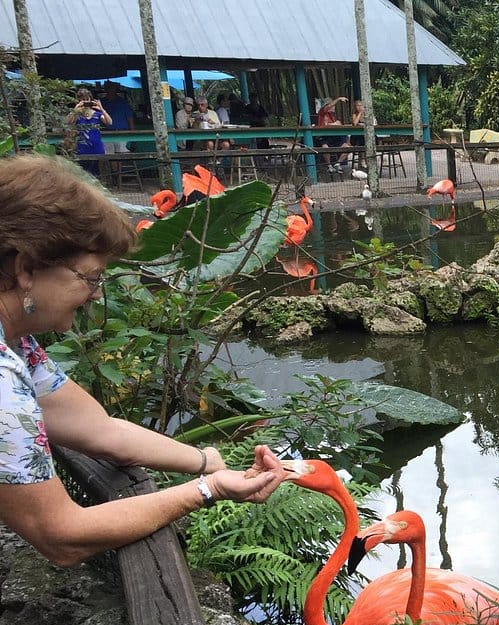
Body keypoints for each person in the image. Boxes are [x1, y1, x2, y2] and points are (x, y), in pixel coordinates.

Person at [0, 154, 285, 567]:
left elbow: (101, 430)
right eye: (91, 277)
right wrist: (208, 491)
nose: (97, 294)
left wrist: (209, 461)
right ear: (26, 268)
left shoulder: (18, 344)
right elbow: (61, 535)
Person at [67, 89, 110, 176]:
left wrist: (101, 109)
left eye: (87, 99)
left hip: (96, 147)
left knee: (97, 172)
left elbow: (109, 122)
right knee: (82, 172)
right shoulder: (77, 115)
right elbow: (69, 121)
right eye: (83, 100)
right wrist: (76, 109)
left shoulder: (97, 114)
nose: (85, 102)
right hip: (82, 147)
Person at [315, 97, 351, 173]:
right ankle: (329, 166)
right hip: (324, 137)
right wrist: (338, 99)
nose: (334, 107)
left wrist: (337, 123)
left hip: (335, 137)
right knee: (325, 147)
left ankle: (338, 163)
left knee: (348, 147)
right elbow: (326, 125)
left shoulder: (332, 116)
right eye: (333, 105)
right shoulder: (322, 112)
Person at [101, 84, 135, 152]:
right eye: (108, 88)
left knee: (123, 154)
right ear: (105, 90)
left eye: (112, 88)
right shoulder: (102, 103)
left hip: (122, 132)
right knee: (109, 155)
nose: (110, 90)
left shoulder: (123, 102)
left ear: (115, 89)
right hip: (107, 134)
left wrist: (133, 135)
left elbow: (130, 118)